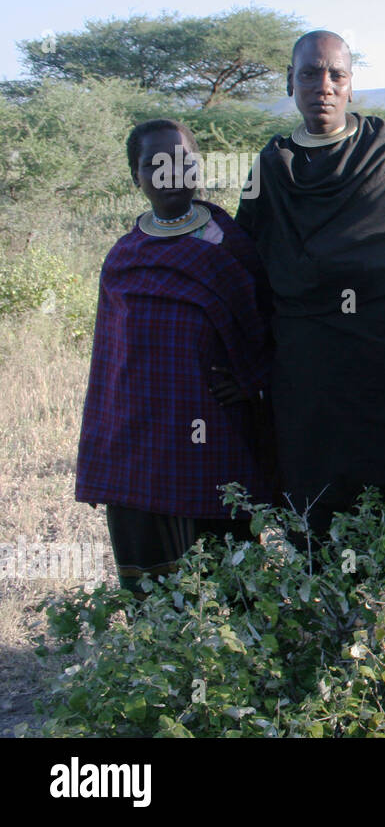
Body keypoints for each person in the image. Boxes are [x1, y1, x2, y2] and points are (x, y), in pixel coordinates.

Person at [235, 31, 385, 534]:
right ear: (290, 81)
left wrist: (339, 271)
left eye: (336, 74)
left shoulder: (384, 147)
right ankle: (322, 598)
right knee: (314, 491)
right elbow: (246, 259)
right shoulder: (273, 165)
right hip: (308, 366)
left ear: (352, 85)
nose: (324, 85)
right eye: (311, 73)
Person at [77, 119, 274, 594]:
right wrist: (99, 455)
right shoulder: (124, 256)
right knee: (155, 600)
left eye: (182, 161)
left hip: (215, 437)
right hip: (138, 441)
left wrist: (250, 381)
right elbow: (108, 366)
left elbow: (270, 328)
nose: (170, 174)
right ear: (135, 176)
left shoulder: (231, 245)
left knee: (233, 591)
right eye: (153, 164)